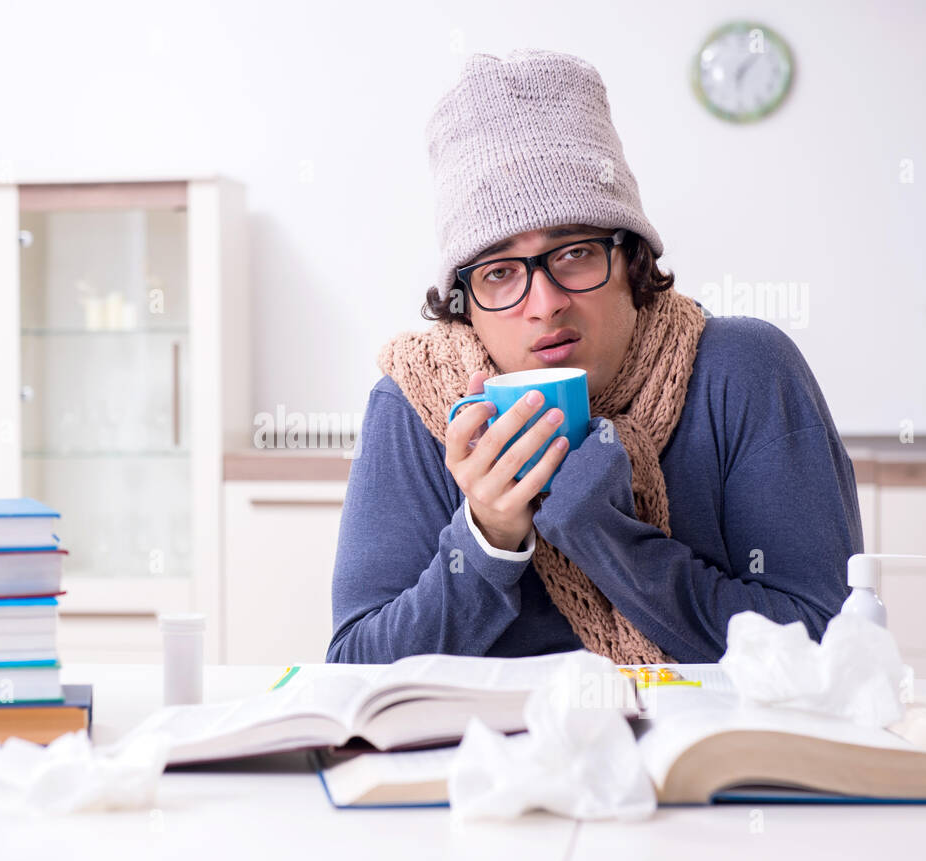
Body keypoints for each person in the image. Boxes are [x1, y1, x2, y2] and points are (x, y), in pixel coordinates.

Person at [328, 49, 863, 665]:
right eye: (500, 272)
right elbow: (354, 670)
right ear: (464, 302)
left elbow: (828, 647)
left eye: (575, 252)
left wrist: (607, 537)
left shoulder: (743, 369)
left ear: (630, 258)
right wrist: (488, 539)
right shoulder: (419, 405)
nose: (545, 303)